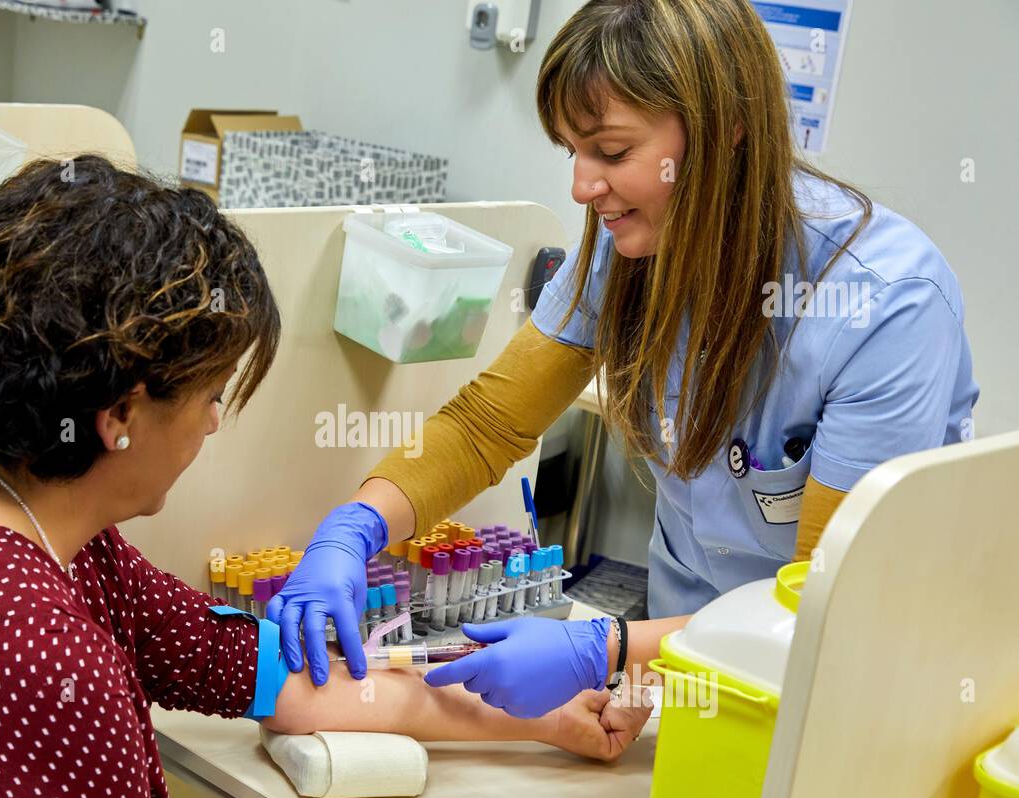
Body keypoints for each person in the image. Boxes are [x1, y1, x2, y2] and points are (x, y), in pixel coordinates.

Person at [0, 155, 649, 798]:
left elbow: (259, 668)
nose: (216, 421)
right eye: (210, 393)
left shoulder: (4, 513)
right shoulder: (36, 653)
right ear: (121, 414)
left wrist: (534, 719)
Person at [269, 0, 979, 721]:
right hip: (682, 661)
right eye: (571, 152)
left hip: (825, 693)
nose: (582, 186)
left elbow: (823, 604)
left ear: (725, 128)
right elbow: (489, 425)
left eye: (611, 152)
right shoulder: (634, 245)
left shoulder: (884, 304)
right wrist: (355, 525)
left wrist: (607, 652)